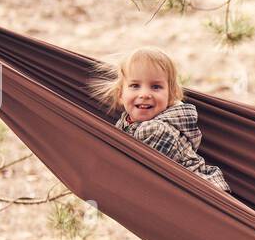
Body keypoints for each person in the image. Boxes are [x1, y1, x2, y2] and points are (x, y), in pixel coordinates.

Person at [90, 46, 231, 193]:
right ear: (120, 94)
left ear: (171, 95)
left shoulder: (155, 130)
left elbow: (141, 177)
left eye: (156, 87)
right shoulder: (125, 122)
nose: (144, 94)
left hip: (201, 195)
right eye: (135, 86)